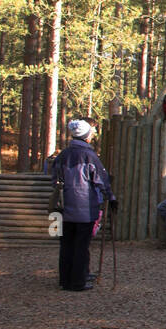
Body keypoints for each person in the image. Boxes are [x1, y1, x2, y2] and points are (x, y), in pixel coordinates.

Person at [51, 120, 114, 291]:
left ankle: (66, 279)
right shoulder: (90, 156)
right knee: (81, 245)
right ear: (86, 137)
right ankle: (78, 281)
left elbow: (53, 177)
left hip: (63, 208)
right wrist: (111, 196)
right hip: (85, 207)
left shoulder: (63, 155)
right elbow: (101, 180)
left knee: (66, 244)